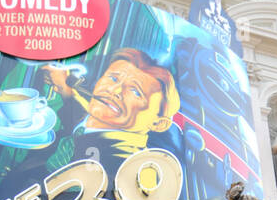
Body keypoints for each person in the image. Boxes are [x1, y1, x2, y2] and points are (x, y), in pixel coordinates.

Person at [42, 47, 180, 162]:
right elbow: (84, 117)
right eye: (113, 78)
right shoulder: (103, 125)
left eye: (135, 91)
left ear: (158, 123)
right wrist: (63, 87)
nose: (113, 90)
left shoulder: (123, 164)